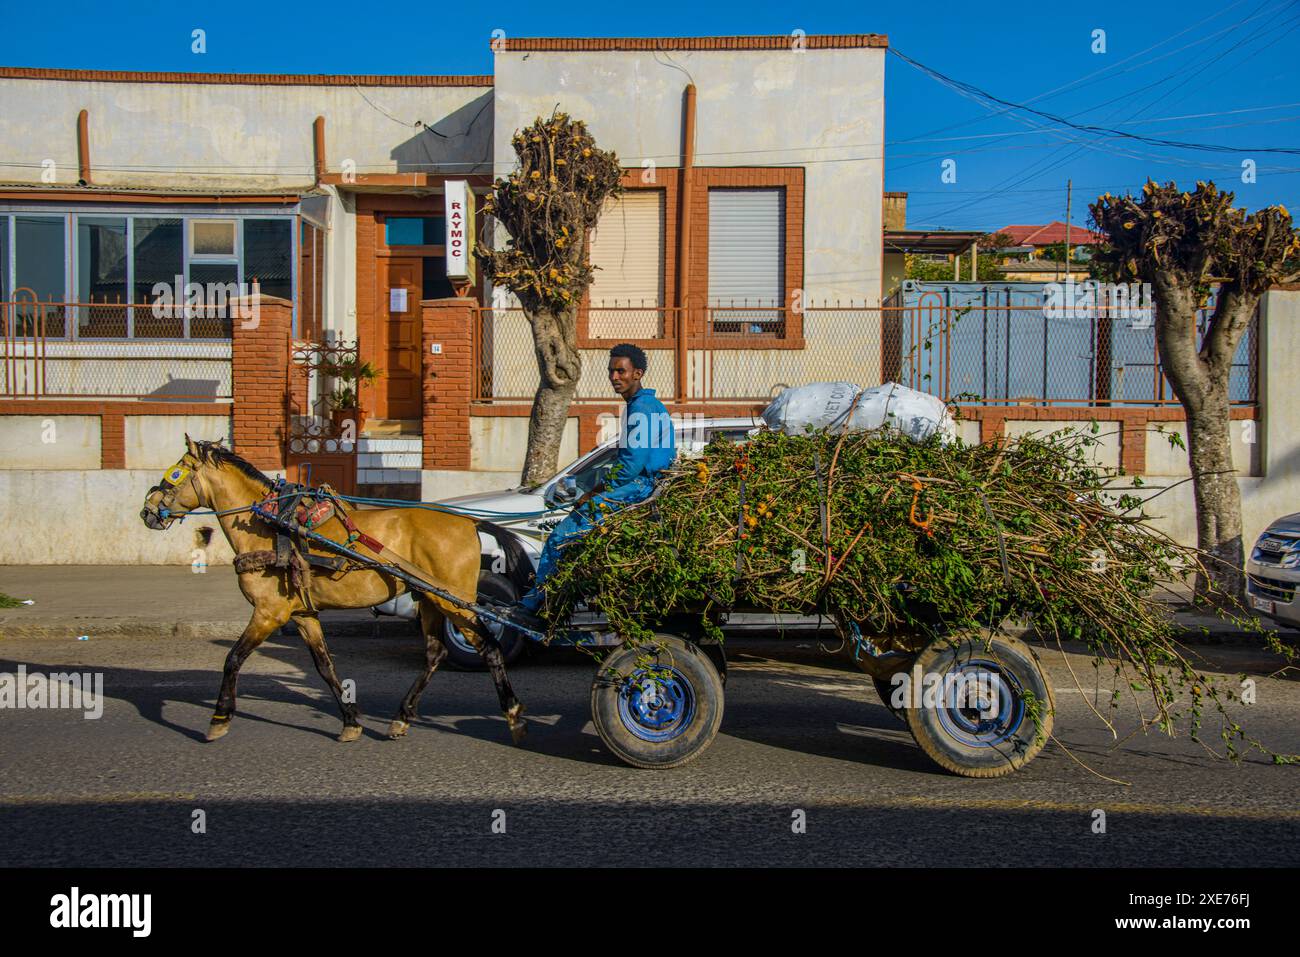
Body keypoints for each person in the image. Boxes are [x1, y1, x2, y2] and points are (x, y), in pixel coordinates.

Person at [517, 343, 676, 617]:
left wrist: (593, 492)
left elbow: (629, 466)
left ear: (637, 373)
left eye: (621, 371)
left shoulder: (641, 408)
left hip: (638, 488)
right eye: (611, 371)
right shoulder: (647, 405)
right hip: (642, 485)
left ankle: (535, 606)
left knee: (560, 538)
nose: (615, 377)